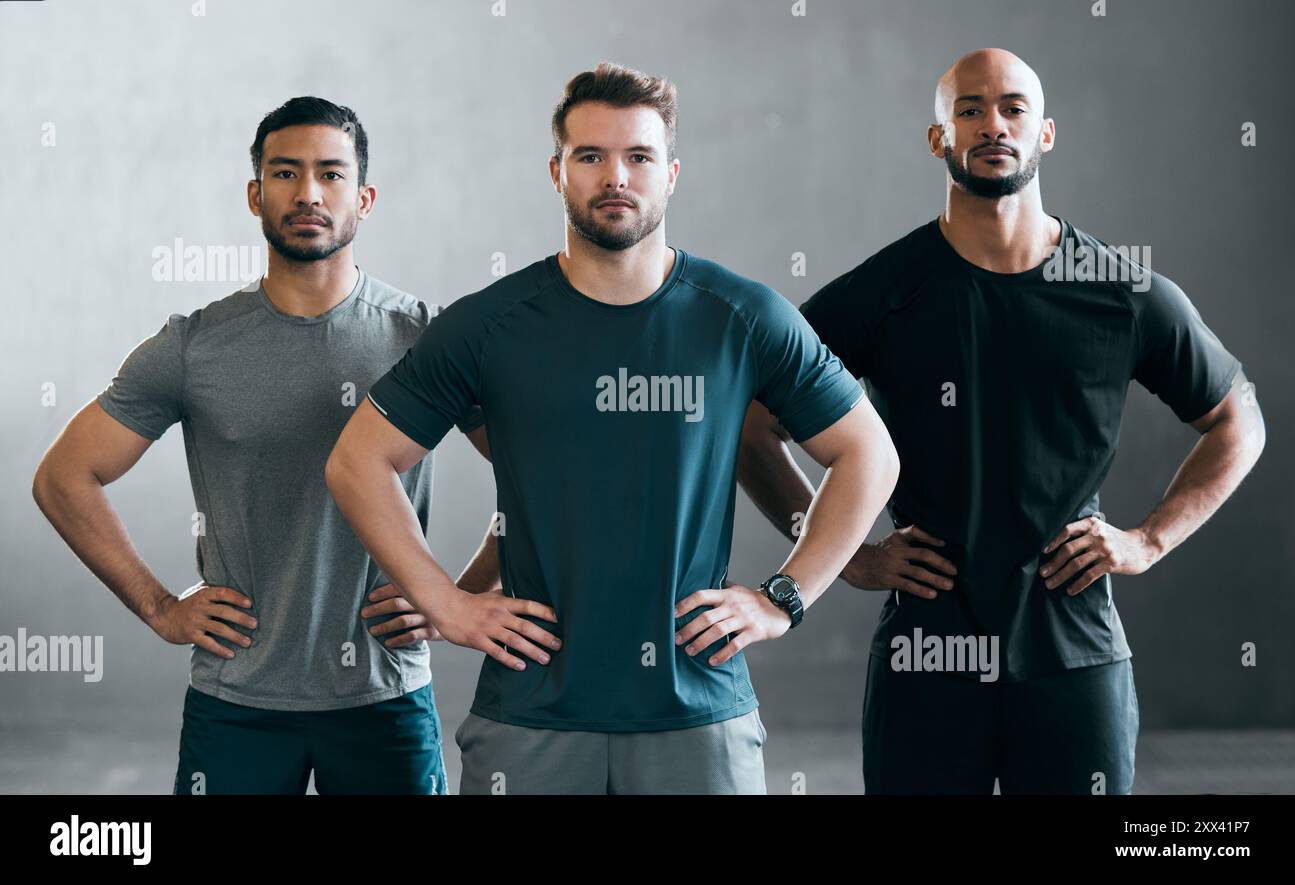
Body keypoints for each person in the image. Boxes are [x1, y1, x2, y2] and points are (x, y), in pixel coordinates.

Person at [325, 62, 898, 795]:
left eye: (639, 156)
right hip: (530, 715)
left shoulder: (742, 317)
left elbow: (868, 455)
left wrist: (785, 596)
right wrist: (447, 603)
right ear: (557, 172)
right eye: (590, 156)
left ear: (671, 173)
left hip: (697, 713)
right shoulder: (489, 325)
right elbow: (357, 461)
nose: (615, 176)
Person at [737, 48, 1266, 794]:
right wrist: (843, 554)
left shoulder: (1119, 292)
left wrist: (1148, 538)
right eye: (970, 109)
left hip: (1075, 659)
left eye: (1013, 108)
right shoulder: (886, 291)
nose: (994, 124)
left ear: (1045, 133)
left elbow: (1237, 418)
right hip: (926, 657)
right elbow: (754, 423)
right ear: (938, 138)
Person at [32, 97, 486, 795]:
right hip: (237, 699)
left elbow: (543, 473)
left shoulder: (422, 337)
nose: (308, 192)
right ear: (255, 193)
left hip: (383, 694)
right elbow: (63, 476)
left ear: (364, 198)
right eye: (286, 172)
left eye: (331, 174)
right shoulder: (195, 345)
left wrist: (456, 597)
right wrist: (158, 606)